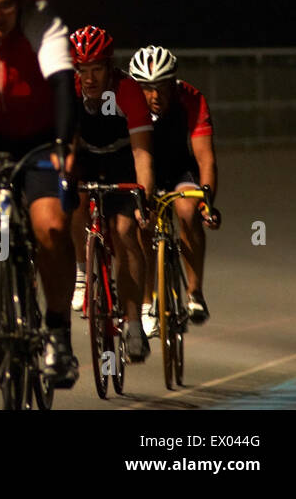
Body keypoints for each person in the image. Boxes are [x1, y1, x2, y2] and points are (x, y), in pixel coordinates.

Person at [0, 0, 80, 388]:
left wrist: (66, 145)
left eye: (4, 5)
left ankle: (57, 334)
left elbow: (64, 84)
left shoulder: (41, 19)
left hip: (39, 138)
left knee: (51, 228)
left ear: (21, 1)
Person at [68, 25, 155, 362]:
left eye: (97, 69)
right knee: (71, 201)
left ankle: (133, 323)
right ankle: (80, 271)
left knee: (125, 233)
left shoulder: (128, 91)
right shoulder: (71, 91)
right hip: (86, 161)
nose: (90, 78)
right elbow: (66, 146)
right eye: (83, 70)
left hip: (123, 165)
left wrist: (143, 197)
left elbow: (143, 153)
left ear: (109, 66)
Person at [128, 45, 221, 333]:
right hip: (144, 169)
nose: (155, 96)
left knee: (187, 210)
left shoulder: (191, 99)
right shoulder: (126, 102)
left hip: (181, 168)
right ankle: (146, 306)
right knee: (140, 225)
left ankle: (194, 292)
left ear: (173, 84)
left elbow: (205, 158)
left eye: (161, 87)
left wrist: (207, 203)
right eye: (147, 88)